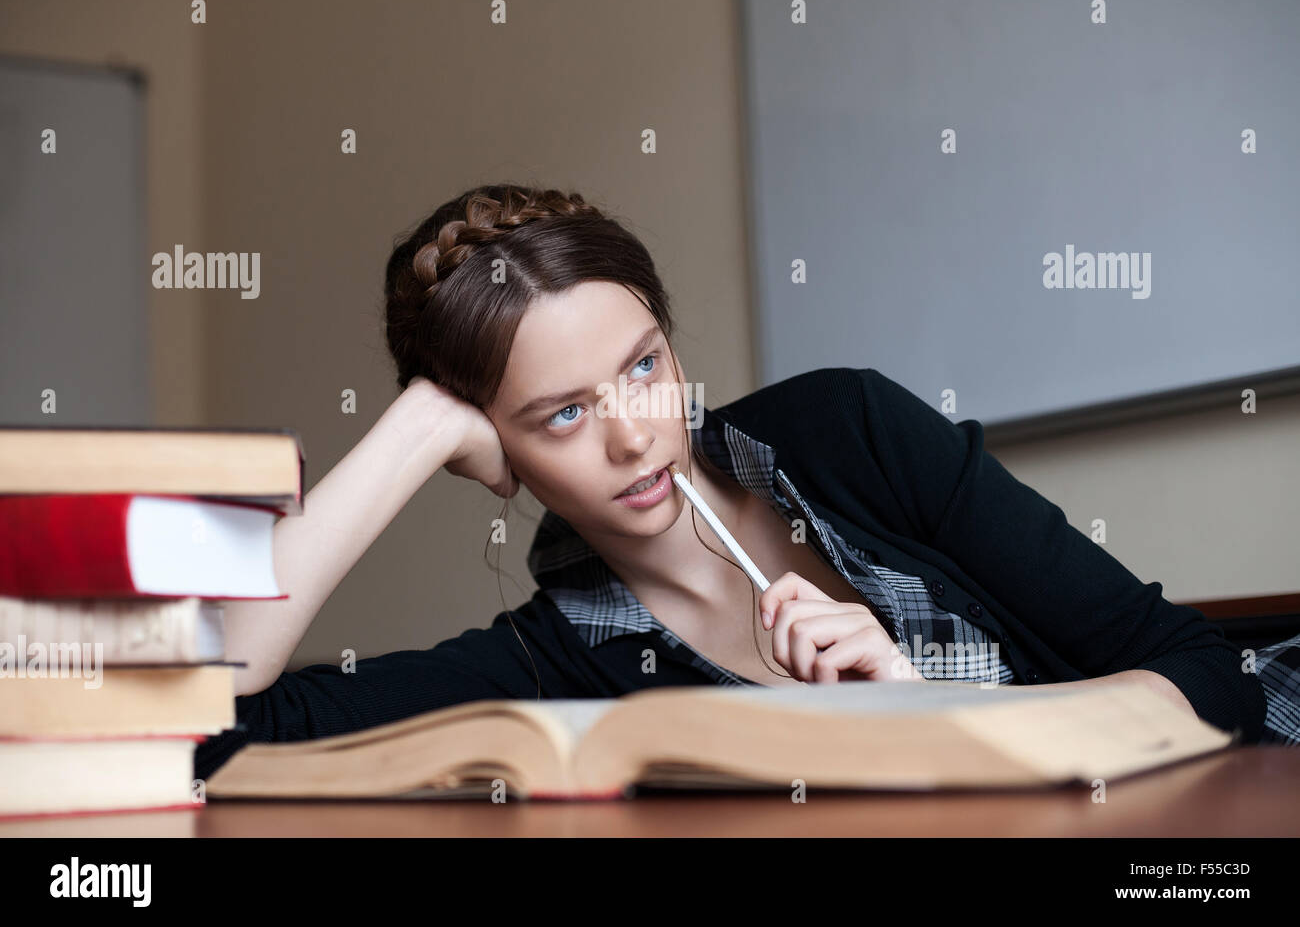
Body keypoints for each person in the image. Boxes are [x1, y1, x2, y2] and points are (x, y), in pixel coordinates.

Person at [196, 184, 1296, 780]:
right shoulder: (544, 659)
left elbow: (1209, 674)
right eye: (562, 413)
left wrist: (934, 713)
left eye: (643, 365)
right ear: (497, 450)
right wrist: (411, 429)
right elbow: (204, 726)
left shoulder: (847, 430)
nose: (636, 437)